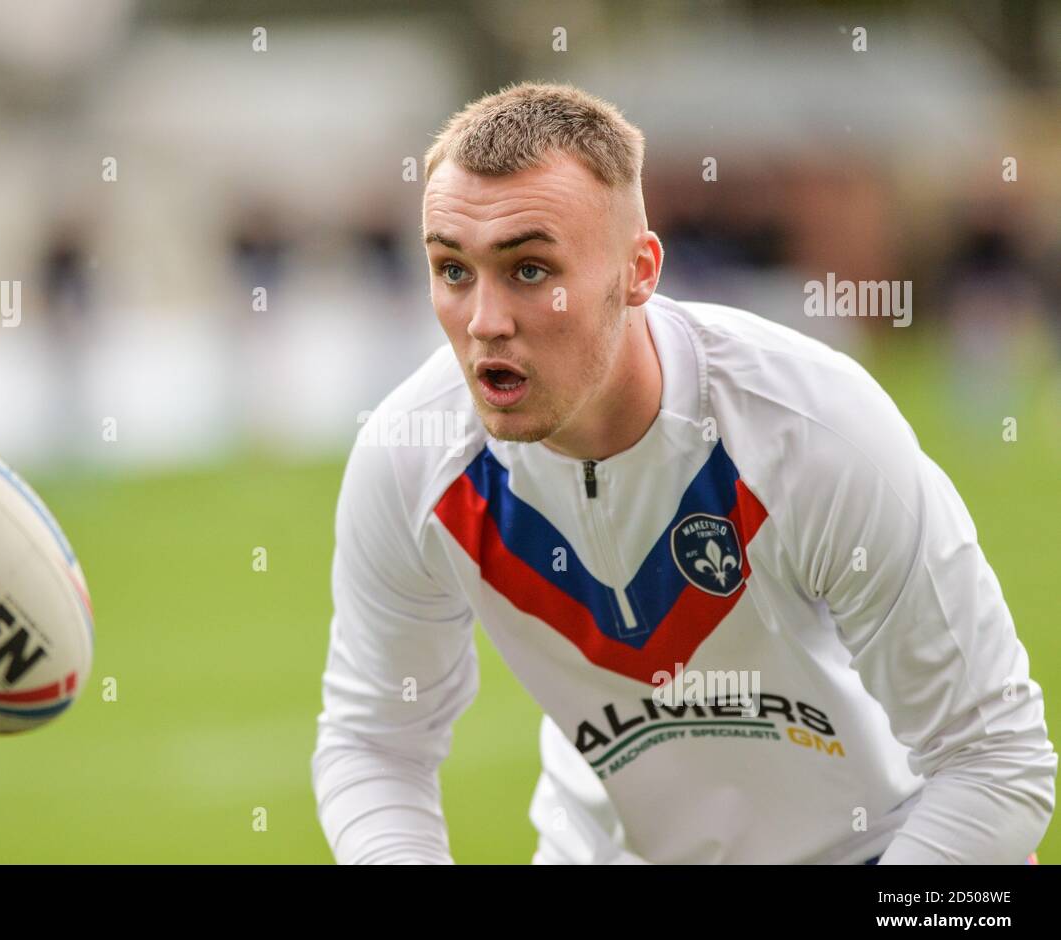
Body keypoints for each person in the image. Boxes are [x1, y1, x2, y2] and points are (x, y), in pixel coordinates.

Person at [309, 81, 1055, 864]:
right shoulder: (412, 455)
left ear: (640, 271)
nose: (485, 321)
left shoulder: (813, 431)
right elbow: (374, 743)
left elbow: (995, 758)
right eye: (452, 270)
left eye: (530, 269)